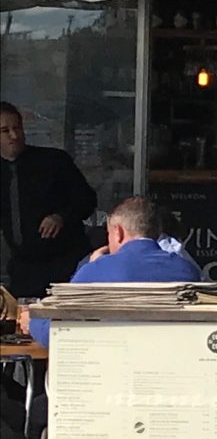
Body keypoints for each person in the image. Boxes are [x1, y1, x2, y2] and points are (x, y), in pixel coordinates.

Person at [27, 197, 199, 345]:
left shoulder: (97, 270)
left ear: (118, 232)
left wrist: (32, 321)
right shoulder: (187, 271)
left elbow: (53, 332)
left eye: (108, 234)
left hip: (111, 373)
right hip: (166, 371)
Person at [0, 99, 98, 299]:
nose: (14, 136)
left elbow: (87, 200)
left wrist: (61, 216)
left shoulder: (53, 161)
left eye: (17, 128)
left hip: (64, 261)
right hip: (23, 267)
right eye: (5, 131)